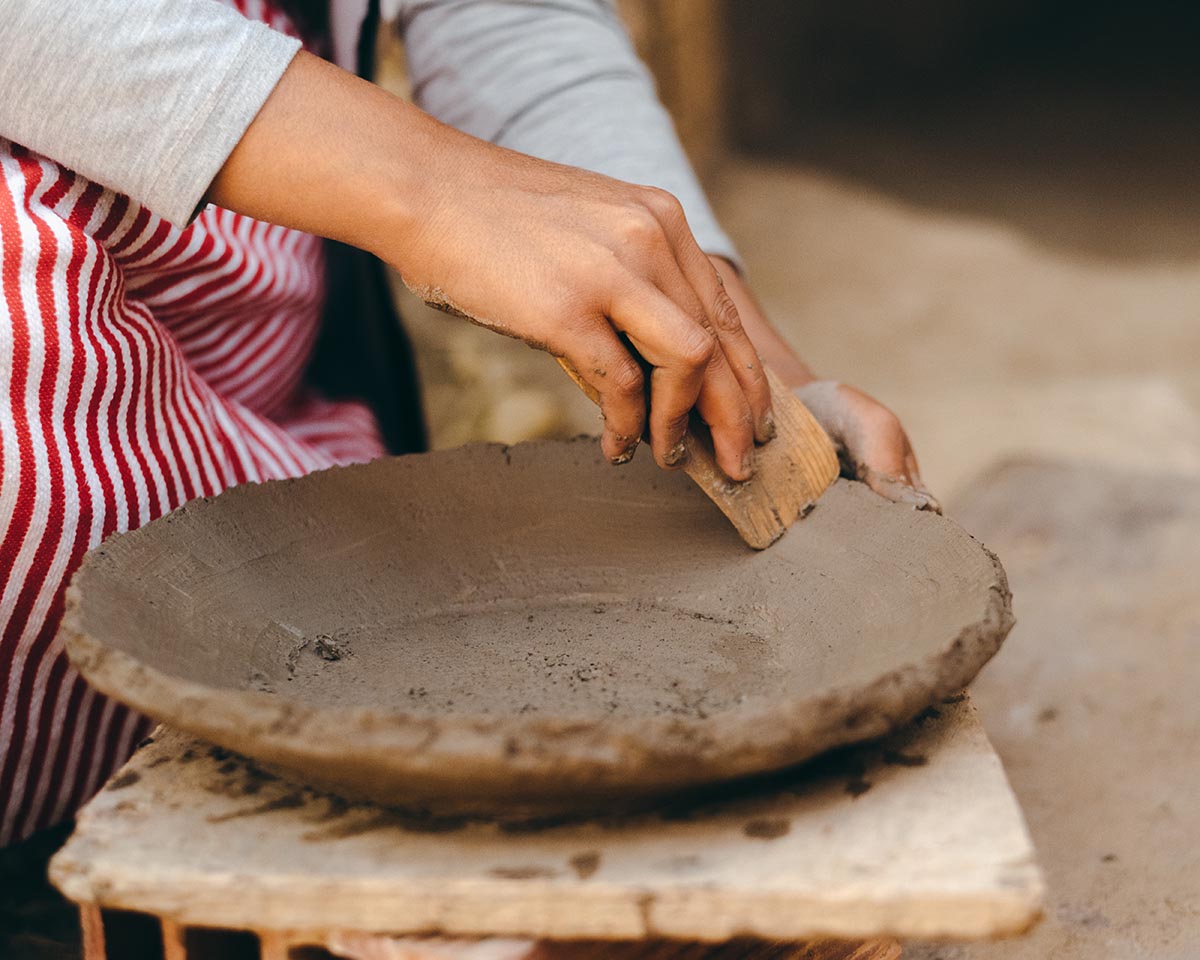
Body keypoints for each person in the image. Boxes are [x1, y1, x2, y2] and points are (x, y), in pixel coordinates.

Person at [0, 0, 937, 846]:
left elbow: (506, 15)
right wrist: (431, 188)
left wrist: (734, 354)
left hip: (247, 299)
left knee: (295, 575)